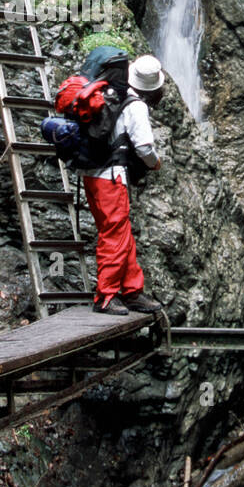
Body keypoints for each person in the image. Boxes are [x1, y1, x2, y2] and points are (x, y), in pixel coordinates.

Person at [83, 54, 165, 315]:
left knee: (121, 230)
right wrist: (155, 163)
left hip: (92, 173)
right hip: (111, 177)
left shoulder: (111, 93)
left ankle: (132, 291)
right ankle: (105, 296)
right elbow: (143, 146)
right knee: (114, 235)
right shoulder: (135, 105)